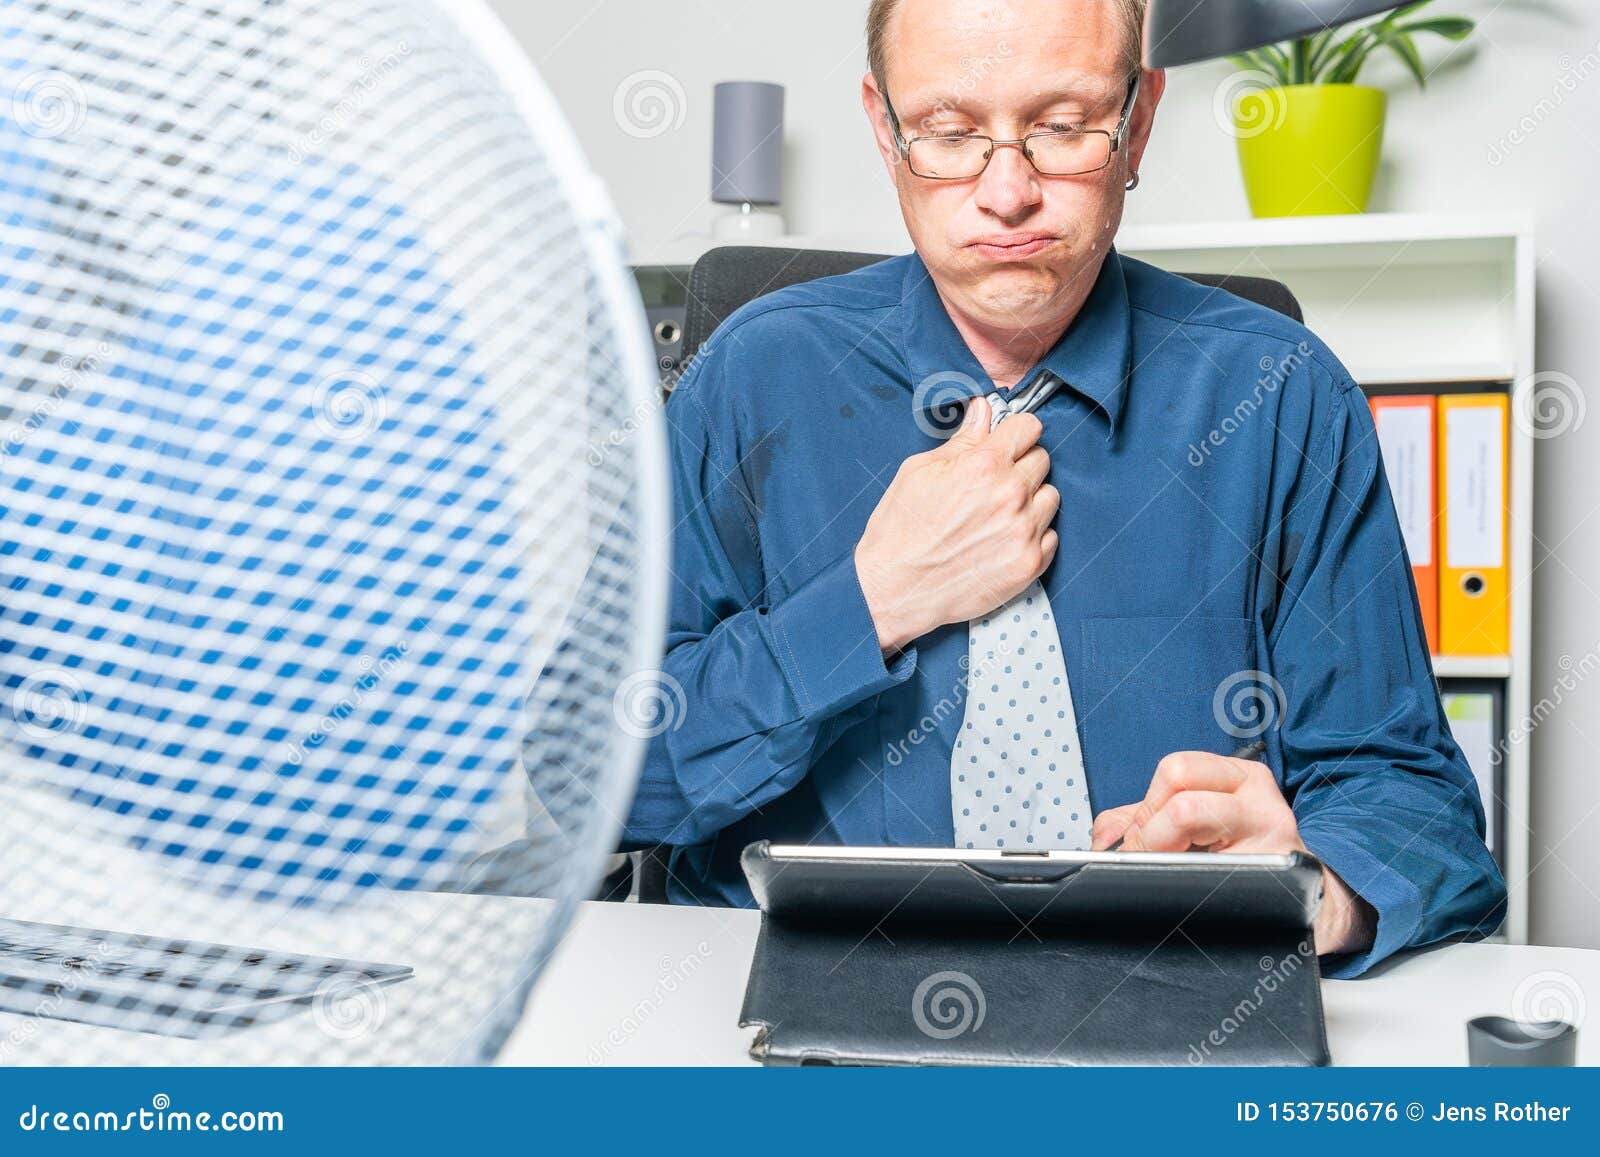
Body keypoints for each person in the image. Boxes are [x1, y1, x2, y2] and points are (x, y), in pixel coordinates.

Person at [624, 0, 1505, 976]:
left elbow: (1419, 808)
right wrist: (870, 603)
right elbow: (598, 773)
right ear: (884, 129)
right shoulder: (753, 377)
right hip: (796, 1000)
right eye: (949, 132)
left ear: (1139, 121)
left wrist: (1311, 887)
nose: (1007, 193)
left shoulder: (1285, 396)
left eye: (1062, 125)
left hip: (1172, 998)